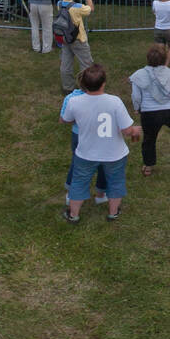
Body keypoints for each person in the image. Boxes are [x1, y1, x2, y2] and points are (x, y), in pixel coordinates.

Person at [61, 63, 137, 223]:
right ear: (103, 83)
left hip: (86, 153)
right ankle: (113, 212)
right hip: (114, 154)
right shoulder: (115, 102)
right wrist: (135, 131)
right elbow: (127, 130)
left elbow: (65, 119)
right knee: (116, 181)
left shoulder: (75, 102)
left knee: (79, 181)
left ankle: (73, 214)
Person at [129, 43, 170, 173]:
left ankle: (148, 167)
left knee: (149, 139)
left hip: (150, 113)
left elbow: (136, 96)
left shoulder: (138, 75)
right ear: (164, 58)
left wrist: (137, 108)